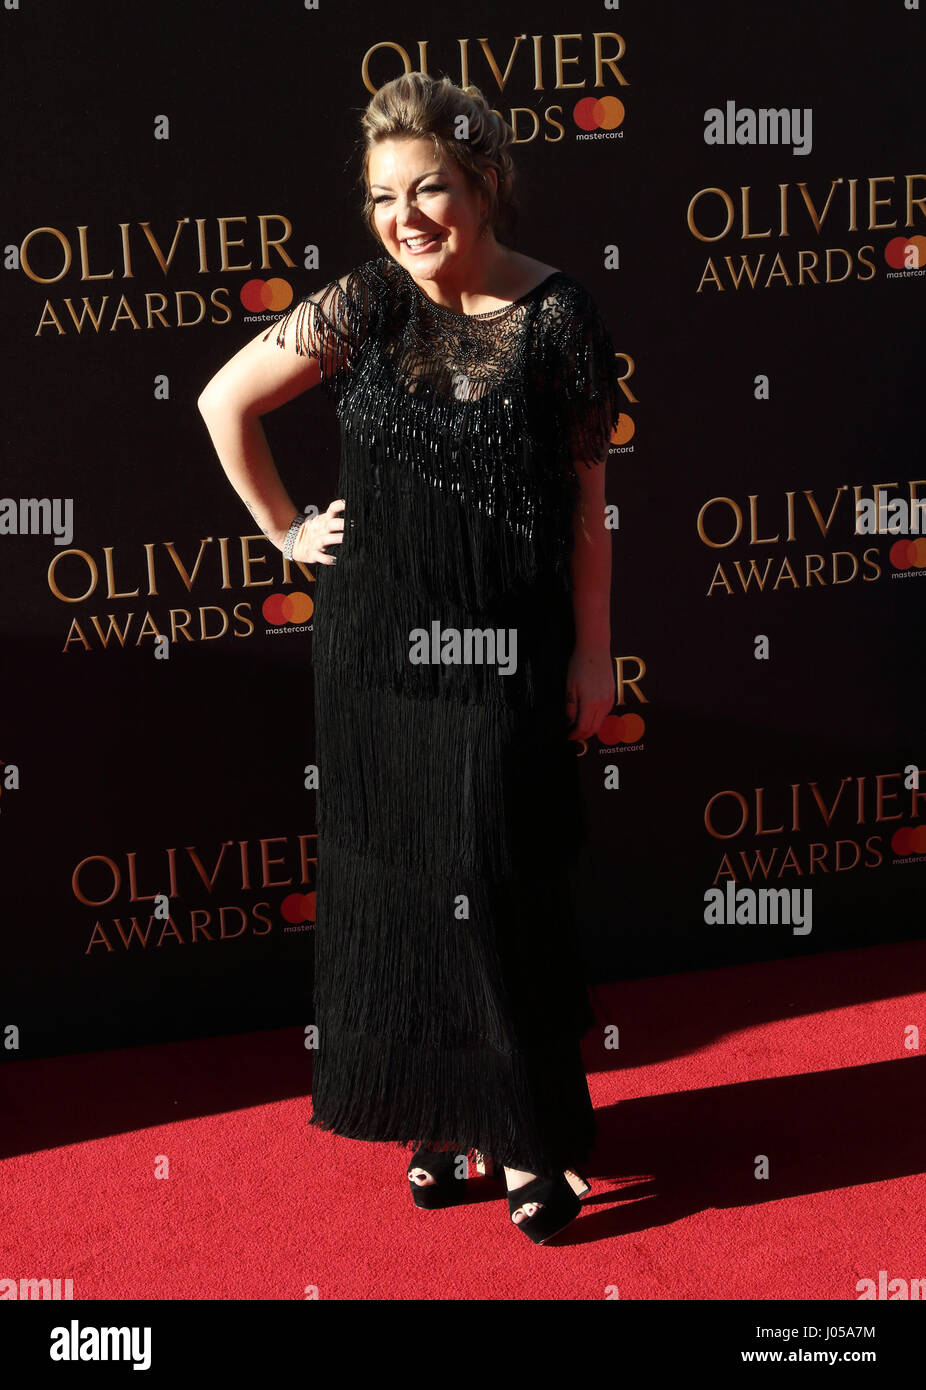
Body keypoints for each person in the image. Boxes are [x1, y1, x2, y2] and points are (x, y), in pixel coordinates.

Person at [198, 72, 622, 1245]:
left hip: (502, 653)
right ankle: (443, 1114)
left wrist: (594, 653)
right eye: (385, 196)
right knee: (399, 891)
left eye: (429, 186)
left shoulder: (558, 317)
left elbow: (588, 504)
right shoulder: (368, 305)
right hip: (375, 650)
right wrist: (287, 531)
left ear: (482, 181)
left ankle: (531, 1132)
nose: (406, 216)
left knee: (491, 875)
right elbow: (222, 400)